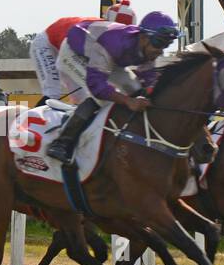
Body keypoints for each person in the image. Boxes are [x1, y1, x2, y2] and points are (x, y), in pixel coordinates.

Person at [45, 11, 180, 163]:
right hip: (74, 53)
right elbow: (97, 86)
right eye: (159, 43)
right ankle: (62, 143)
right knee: (103, 100)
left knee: (134, 87)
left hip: (107, 57)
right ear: (142, 37)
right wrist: (128, 101)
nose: (160, 50)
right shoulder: (116, 43)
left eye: (166, 45)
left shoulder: (146, 47)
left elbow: (148, 83)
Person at [30, 2, 139, 102]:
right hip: (46, 44)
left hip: (64, 48)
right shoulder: (99, 31)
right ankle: (31, 121)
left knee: (83, 99)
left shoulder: (106, 33)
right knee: (52, 92)